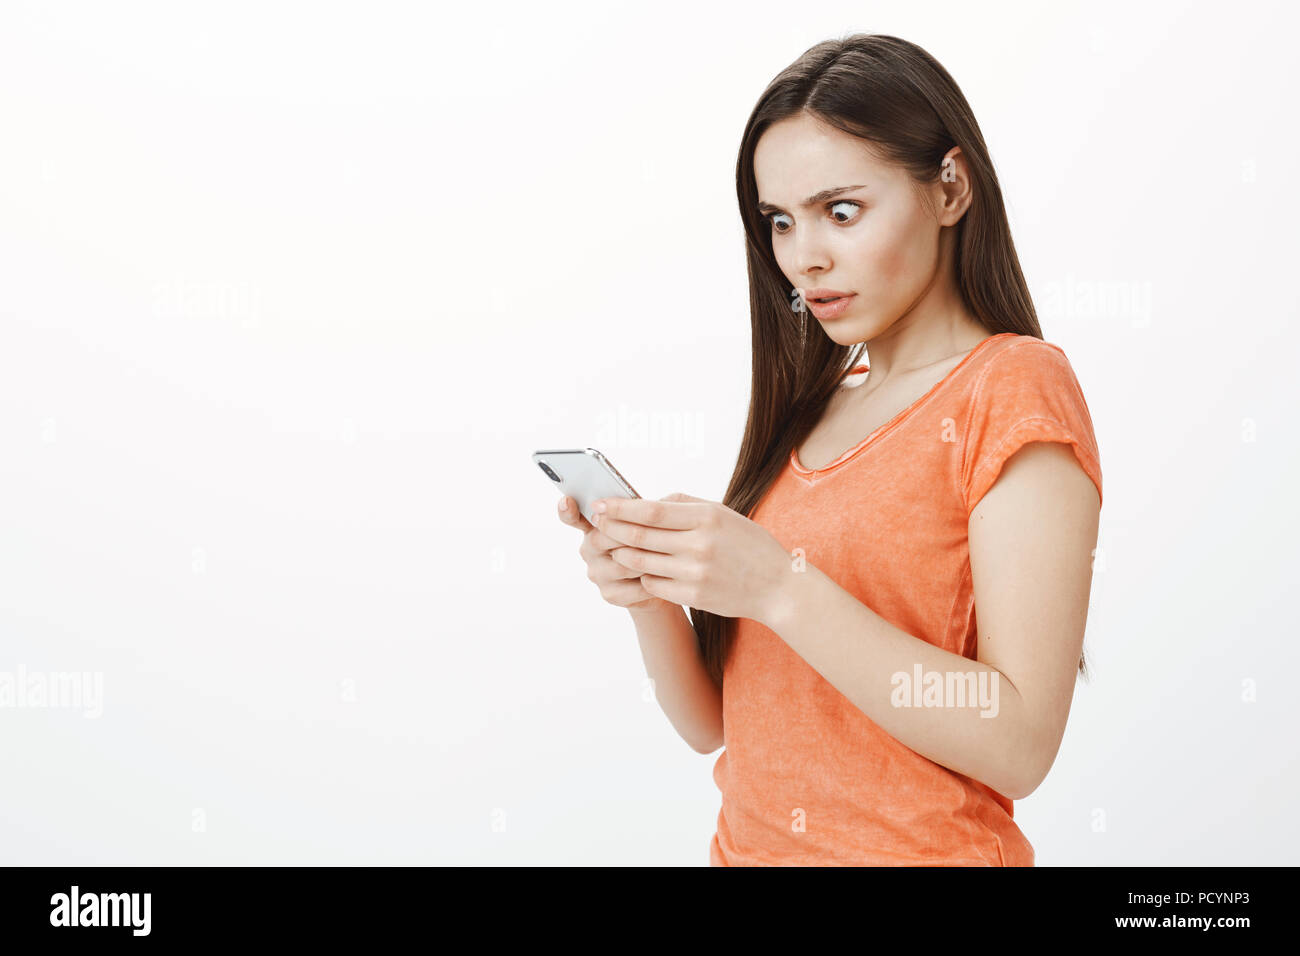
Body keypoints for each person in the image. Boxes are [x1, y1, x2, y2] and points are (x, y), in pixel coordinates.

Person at [556, 34, 1102, 866]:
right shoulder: (813, 404)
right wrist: (652, 590)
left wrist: (780, 586)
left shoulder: (1012, 387)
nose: (803, 258)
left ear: (950, 187)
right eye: (780, 221)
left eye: (840, 211)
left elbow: (1021, 743)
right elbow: (712, 724)